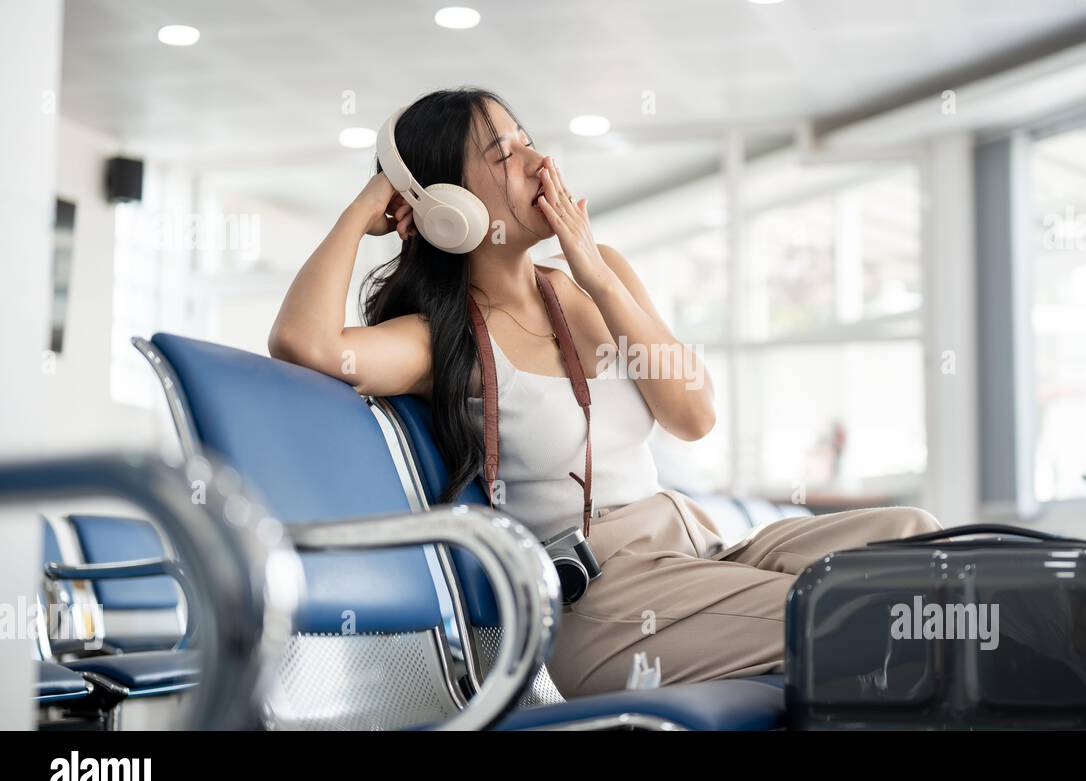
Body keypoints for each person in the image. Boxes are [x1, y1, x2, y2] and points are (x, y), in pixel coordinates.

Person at [269, 87, 941, 698]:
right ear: (451, 208)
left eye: (528, 139)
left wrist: (595, 271)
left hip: (691, 547)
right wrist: (368, 204)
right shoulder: (444, 340)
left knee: (914, 538)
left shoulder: (594, 280)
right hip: (600, 601)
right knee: (864, 608)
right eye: (504, 154)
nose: (538, 160)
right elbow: (306, 342)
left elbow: (694, 413)